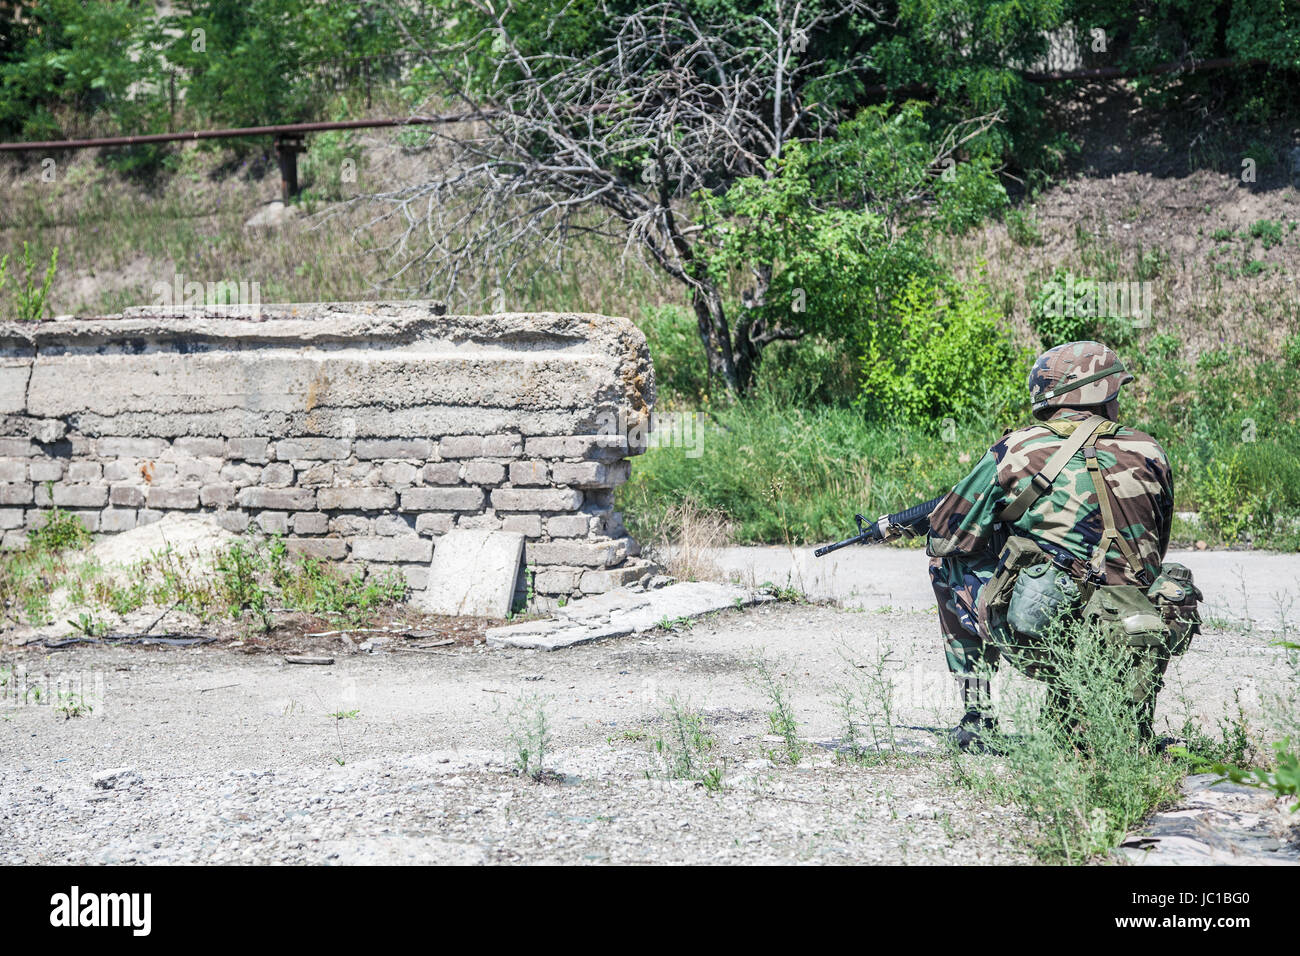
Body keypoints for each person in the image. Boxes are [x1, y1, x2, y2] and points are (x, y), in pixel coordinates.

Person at [925, 341, 1175, 749]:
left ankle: (978, 718)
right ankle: (1121, 711)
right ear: (1099, 394)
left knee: (945, 565)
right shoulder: (1150, 451)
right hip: (1132, 637)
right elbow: (1155, 551)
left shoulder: (1017, 449)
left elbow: (944, 537)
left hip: (1047, 641)